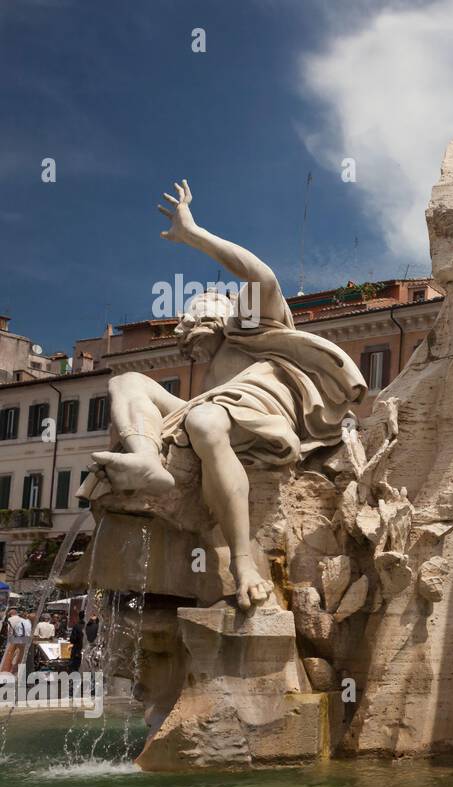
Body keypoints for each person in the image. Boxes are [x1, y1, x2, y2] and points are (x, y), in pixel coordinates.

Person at [81, 179, 366, 610]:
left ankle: (243, 564)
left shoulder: (253, 326)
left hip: (264, 419)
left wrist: (193, 234)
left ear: (216, 314)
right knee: (126, 380)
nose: (185, 340)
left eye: (192, 325)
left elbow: (261, 275)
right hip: (214, 416)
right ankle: (145, 459)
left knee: (204, 419)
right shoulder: (212, 376)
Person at [0, 608, 32, 674]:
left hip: (13, 640)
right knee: (18, 657)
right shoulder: (23, 620)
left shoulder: (10, 620)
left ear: (10, 614)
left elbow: (9, 632)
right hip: (23, 640)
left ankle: (7, 671)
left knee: (9, 658)